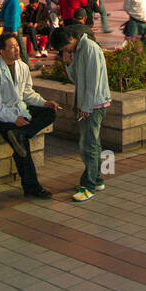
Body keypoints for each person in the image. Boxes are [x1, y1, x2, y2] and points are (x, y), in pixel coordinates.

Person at [0, 32, 60, 199]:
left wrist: (44, 102)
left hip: (19, 110)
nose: (17, 50)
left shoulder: (22, 66)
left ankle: (22, 133)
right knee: (21, 145)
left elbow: (27, 93)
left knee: (49, 113)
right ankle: (32, 186)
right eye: (12, 47)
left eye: (17, 46)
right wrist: (13, 119)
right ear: (2, 51)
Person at [50, 26, 111, 202]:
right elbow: (77, 78)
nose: (66, 51)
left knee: (88, 145)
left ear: (70, 38)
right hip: (88, 104)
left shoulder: (90, 49)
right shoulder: (80, 50)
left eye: (65, 48)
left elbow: (93, 82)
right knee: (92, 143)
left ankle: (89, 185)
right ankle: (97, 179)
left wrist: (86, 107)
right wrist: (69, 63)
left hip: (94, 105)